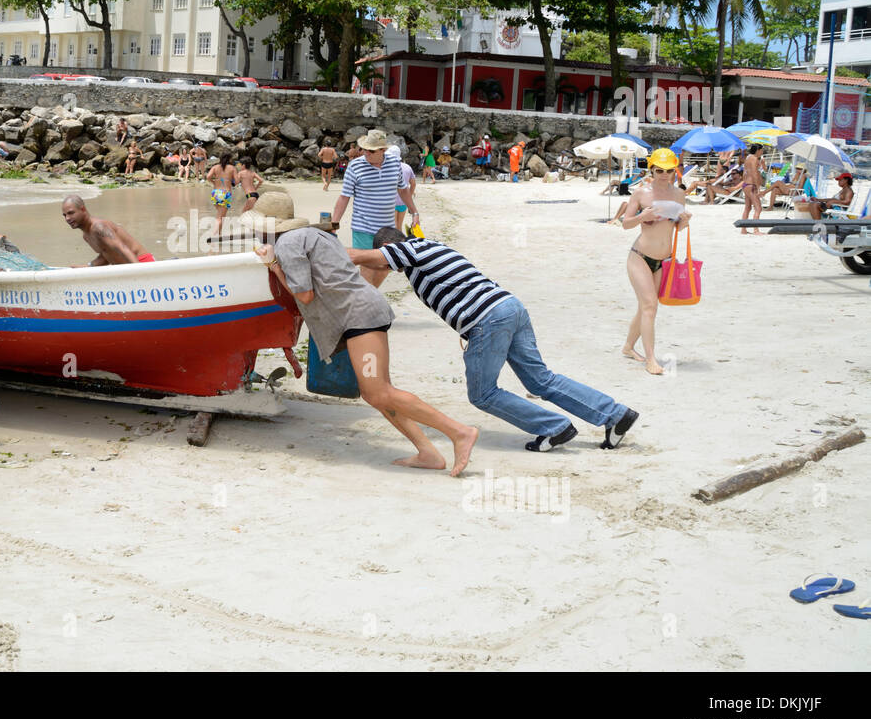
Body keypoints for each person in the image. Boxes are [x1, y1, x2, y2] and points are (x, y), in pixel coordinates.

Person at [352, 228, 639, 452]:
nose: (386, 270)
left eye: (387, 263)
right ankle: (615, 414)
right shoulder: (431, 249)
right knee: (541, 380)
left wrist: (332, 253)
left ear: (390, 249)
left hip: (488, 320)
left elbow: (370, 259)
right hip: (509, 307)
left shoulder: (410, 249)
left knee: (483, 394)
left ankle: (555, 427)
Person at [254, 215, 479, 476]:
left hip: (359, 316)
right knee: (377, 394)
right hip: (363, 311)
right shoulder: (316, 235)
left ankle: (459, 433)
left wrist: (274, 266)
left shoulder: (287, 244)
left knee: (379, 392)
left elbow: (304, 295)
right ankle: (427, 452)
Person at [621, 147, 690, 376]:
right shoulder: (641, 193)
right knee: (650, 305)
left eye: (668, 170)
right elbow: (626, 223)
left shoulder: (680, 195)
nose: (663, 174)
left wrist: (685, 221)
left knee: (646, 307)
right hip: (639, 257)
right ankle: (651, 359)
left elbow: (676, 227)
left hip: (664, 261)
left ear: (674, 171)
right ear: (652, 168)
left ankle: (628, 347)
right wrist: (642, 217)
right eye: (659, 169)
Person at [331, 130, 418, 286]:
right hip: (363, 227)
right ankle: (365, 302)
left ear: (383, 150)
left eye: (371, 151)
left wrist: (414, 212)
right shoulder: (355, 166)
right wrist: (334, 225)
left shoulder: (394, 163)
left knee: (386, 267)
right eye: (364, 149)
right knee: (367, 270)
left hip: (387, 230)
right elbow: (344, 197)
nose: (366, 153)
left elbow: (403, 189)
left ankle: (368, 296)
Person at [62, 194, 154, 264]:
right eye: (65, 215)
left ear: (83, 209)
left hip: (141, 263)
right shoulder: (86, 236)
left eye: (71, 213)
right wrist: (88, 266)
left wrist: (141, 272)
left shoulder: (98, 227)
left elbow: (122, 249)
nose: (67, 218)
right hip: (127, 269)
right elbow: (106, 256)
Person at [206, 152, 238, 235]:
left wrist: (214, 182)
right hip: (225, 193)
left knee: (220, 216)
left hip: (215, 193)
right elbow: (237, 181)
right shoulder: (232, 168)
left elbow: (208, 177)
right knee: (220, 217)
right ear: (229, 159)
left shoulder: (215, 167)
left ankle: (219, 234)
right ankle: (214, 235)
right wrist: (231, 182)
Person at [388, 146, 417, 231]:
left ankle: (395, 243)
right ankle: (400, 243)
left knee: (392, 228)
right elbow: (413, 184)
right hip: (403, 202)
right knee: (399, 226)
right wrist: (409, 196)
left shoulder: (388, 168)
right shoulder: (407, 167)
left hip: (391, 202)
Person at [740, 143, 765, 234]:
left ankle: (743, 229)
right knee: (758, 208)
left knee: (747, 208)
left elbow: (744, 172)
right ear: (758, 150)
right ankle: (756, 230)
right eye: (761, 150)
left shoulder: (748, 158)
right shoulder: (754, 159)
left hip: (746, 184)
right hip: (751, 185)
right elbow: (754, 173)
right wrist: (758, 187)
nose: (762, 152)